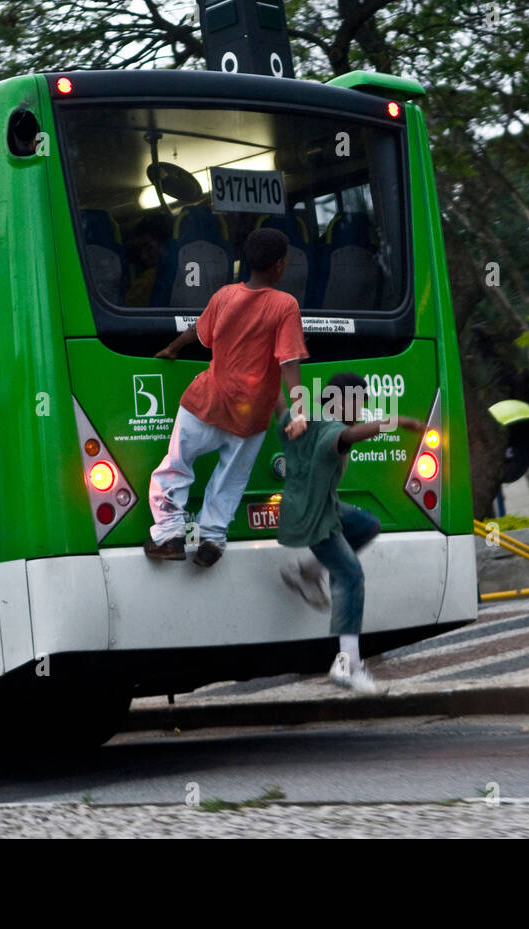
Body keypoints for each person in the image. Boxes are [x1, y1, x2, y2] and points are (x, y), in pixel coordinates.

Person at [146, 228, 308, 566]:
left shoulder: (223, 296)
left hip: (207, 402)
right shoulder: (285, 305)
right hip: (251, 416)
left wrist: (172, 348)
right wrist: (299, 410)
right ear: (280, 265)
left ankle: (170, 535)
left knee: (175, 467)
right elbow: (289, 360)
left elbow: (197, 330)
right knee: (230, 480)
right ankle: (212, 541)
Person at [275, 372, 424, 693]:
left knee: (367, 525)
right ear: (337, 401)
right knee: (351, 575)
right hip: (315, 518)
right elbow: (351, 436)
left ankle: (308, 572)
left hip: (318, 506)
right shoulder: (330, 428)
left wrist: (265, 364)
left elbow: (279, 404)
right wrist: (395, 421)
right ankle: (348, 665)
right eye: (358, 400)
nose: (362, 407)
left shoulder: (303, 420)